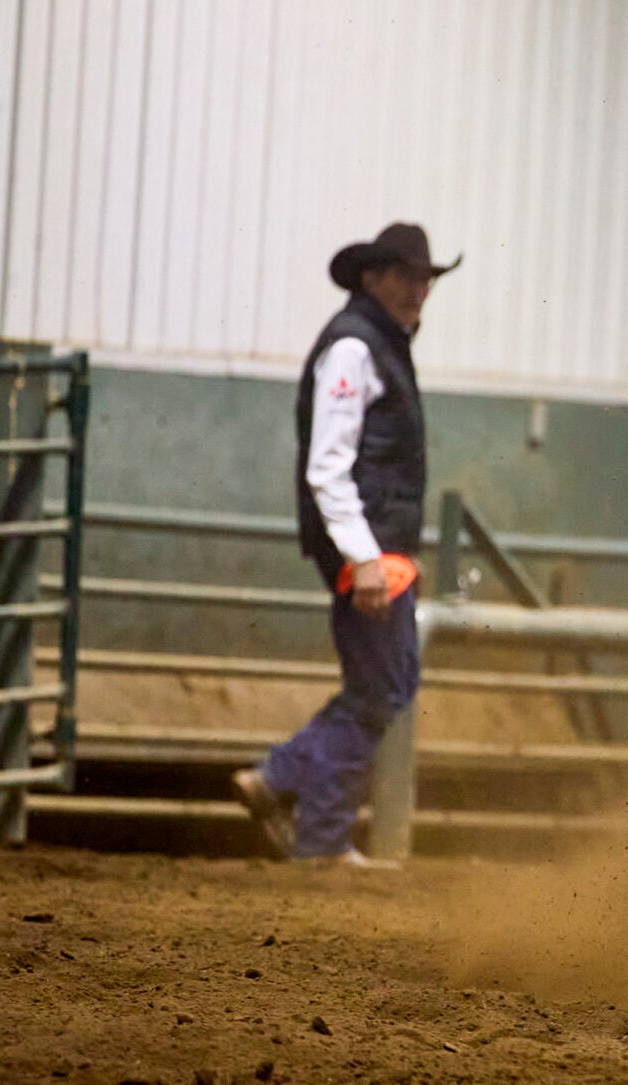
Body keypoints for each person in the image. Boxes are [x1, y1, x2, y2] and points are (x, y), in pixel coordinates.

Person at [233, 223, 459, 867]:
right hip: (370, 550)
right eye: (408, 276)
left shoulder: (372, 344)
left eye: (426, 278)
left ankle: (292, 796)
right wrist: (362, 559)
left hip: (379, 546)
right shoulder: (357, 349)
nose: (420, 289)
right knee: (382, 688)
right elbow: (328, 469)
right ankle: (307, 819)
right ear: (374, 277)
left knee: (386, 683)